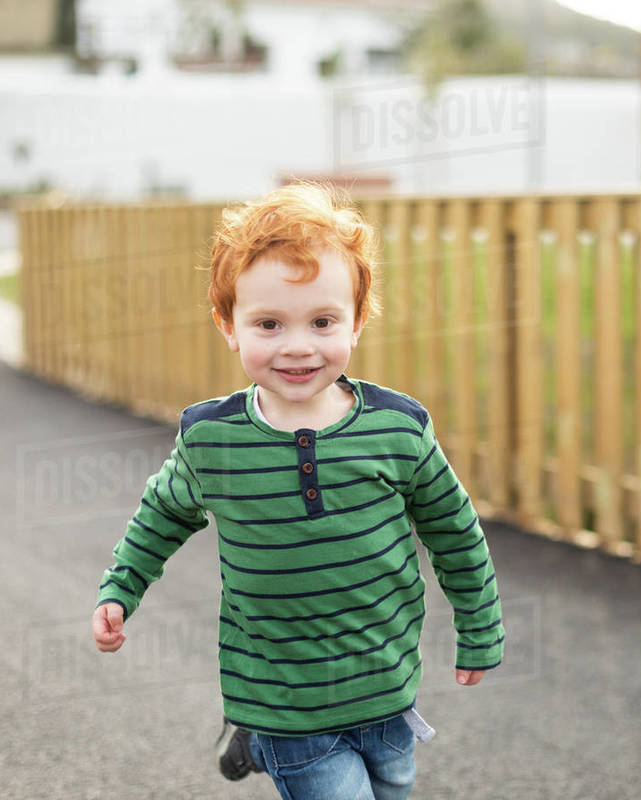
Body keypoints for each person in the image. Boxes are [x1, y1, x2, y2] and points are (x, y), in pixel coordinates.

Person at [90, 182, 506, 800]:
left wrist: (479, 627)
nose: (298, 346)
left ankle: (250, 740)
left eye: (322, 321)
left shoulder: (397, 429)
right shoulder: (213, 439)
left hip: (387, 687)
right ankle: (262, 733)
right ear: (228, 326)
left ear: (357, 321)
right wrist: (121, 588)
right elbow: (162, 515)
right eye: (268, 324)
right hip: (283, 700)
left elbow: (454, 532)